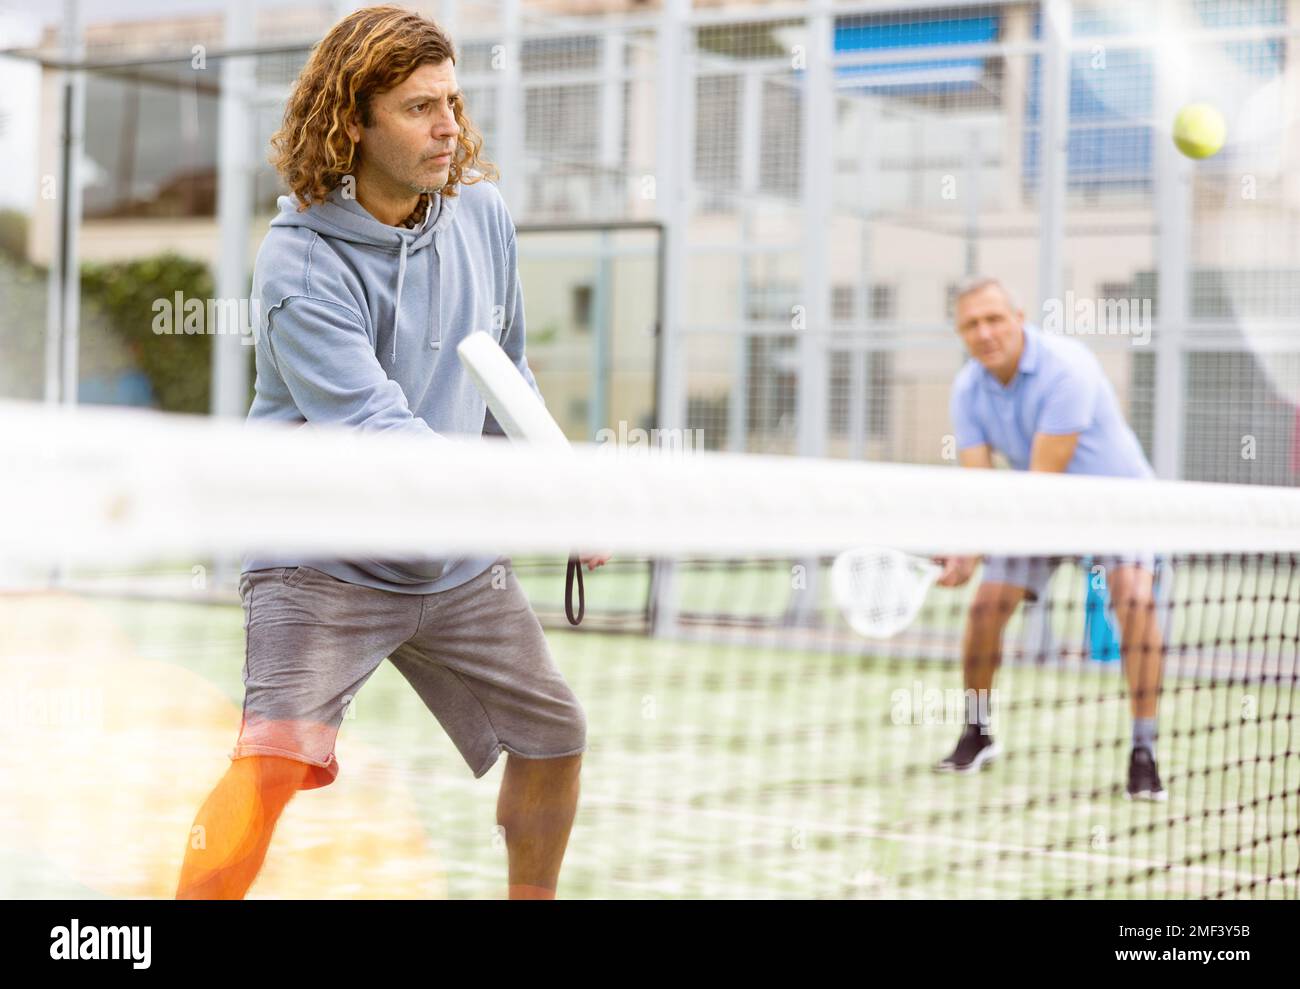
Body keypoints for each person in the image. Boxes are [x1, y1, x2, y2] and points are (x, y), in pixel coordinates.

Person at [176, 4, 605, 900]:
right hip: (320, 555)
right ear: (353, 121)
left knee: (554, 736)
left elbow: (505, 378)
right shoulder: (298, 261)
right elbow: (381, 436)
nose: (449, 125)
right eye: (418, 107)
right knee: (272, 767)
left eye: (452, 100)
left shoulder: (484, 216)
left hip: (452, 562)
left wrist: (561, 485)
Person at [933, 276, 1167, 801]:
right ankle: (978, 730)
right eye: (971, 324)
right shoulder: (967, 388)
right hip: (1040, 510)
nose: (985, 332)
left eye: (994, 318)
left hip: (1115, 503)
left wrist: (974, 548)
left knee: (1134, 599)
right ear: (960, 333)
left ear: (1019, 317)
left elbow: (1041, 480)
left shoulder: (1068, 368)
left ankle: (1144, 749)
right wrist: (965, 546)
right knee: (985, 608)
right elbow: (980, 485)